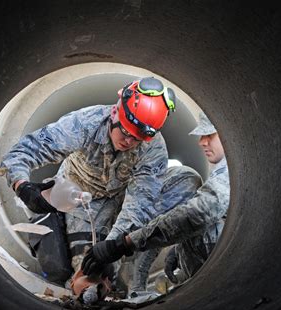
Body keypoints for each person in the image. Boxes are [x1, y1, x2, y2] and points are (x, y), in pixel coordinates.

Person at [0, 77, 201, 297]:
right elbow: (23, 153)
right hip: (82, 198)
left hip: (124, 195)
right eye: (125, 132)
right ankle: (109, 276)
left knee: (186, 179)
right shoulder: (86, 123)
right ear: (115, 114)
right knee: (87, 276)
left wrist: (114, 247)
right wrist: (23, 187)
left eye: (137, 138)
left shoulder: (153, 149)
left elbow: (140, 205)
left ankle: (137, 276)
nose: (129, 142)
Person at [80, 111, 230, 290]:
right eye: (202, 135)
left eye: (209, 135)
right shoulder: (222, 173)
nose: (202, 142)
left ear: (228, 135)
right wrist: (181, 248)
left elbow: (199, 213)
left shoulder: (226, 174)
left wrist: (125, 243)